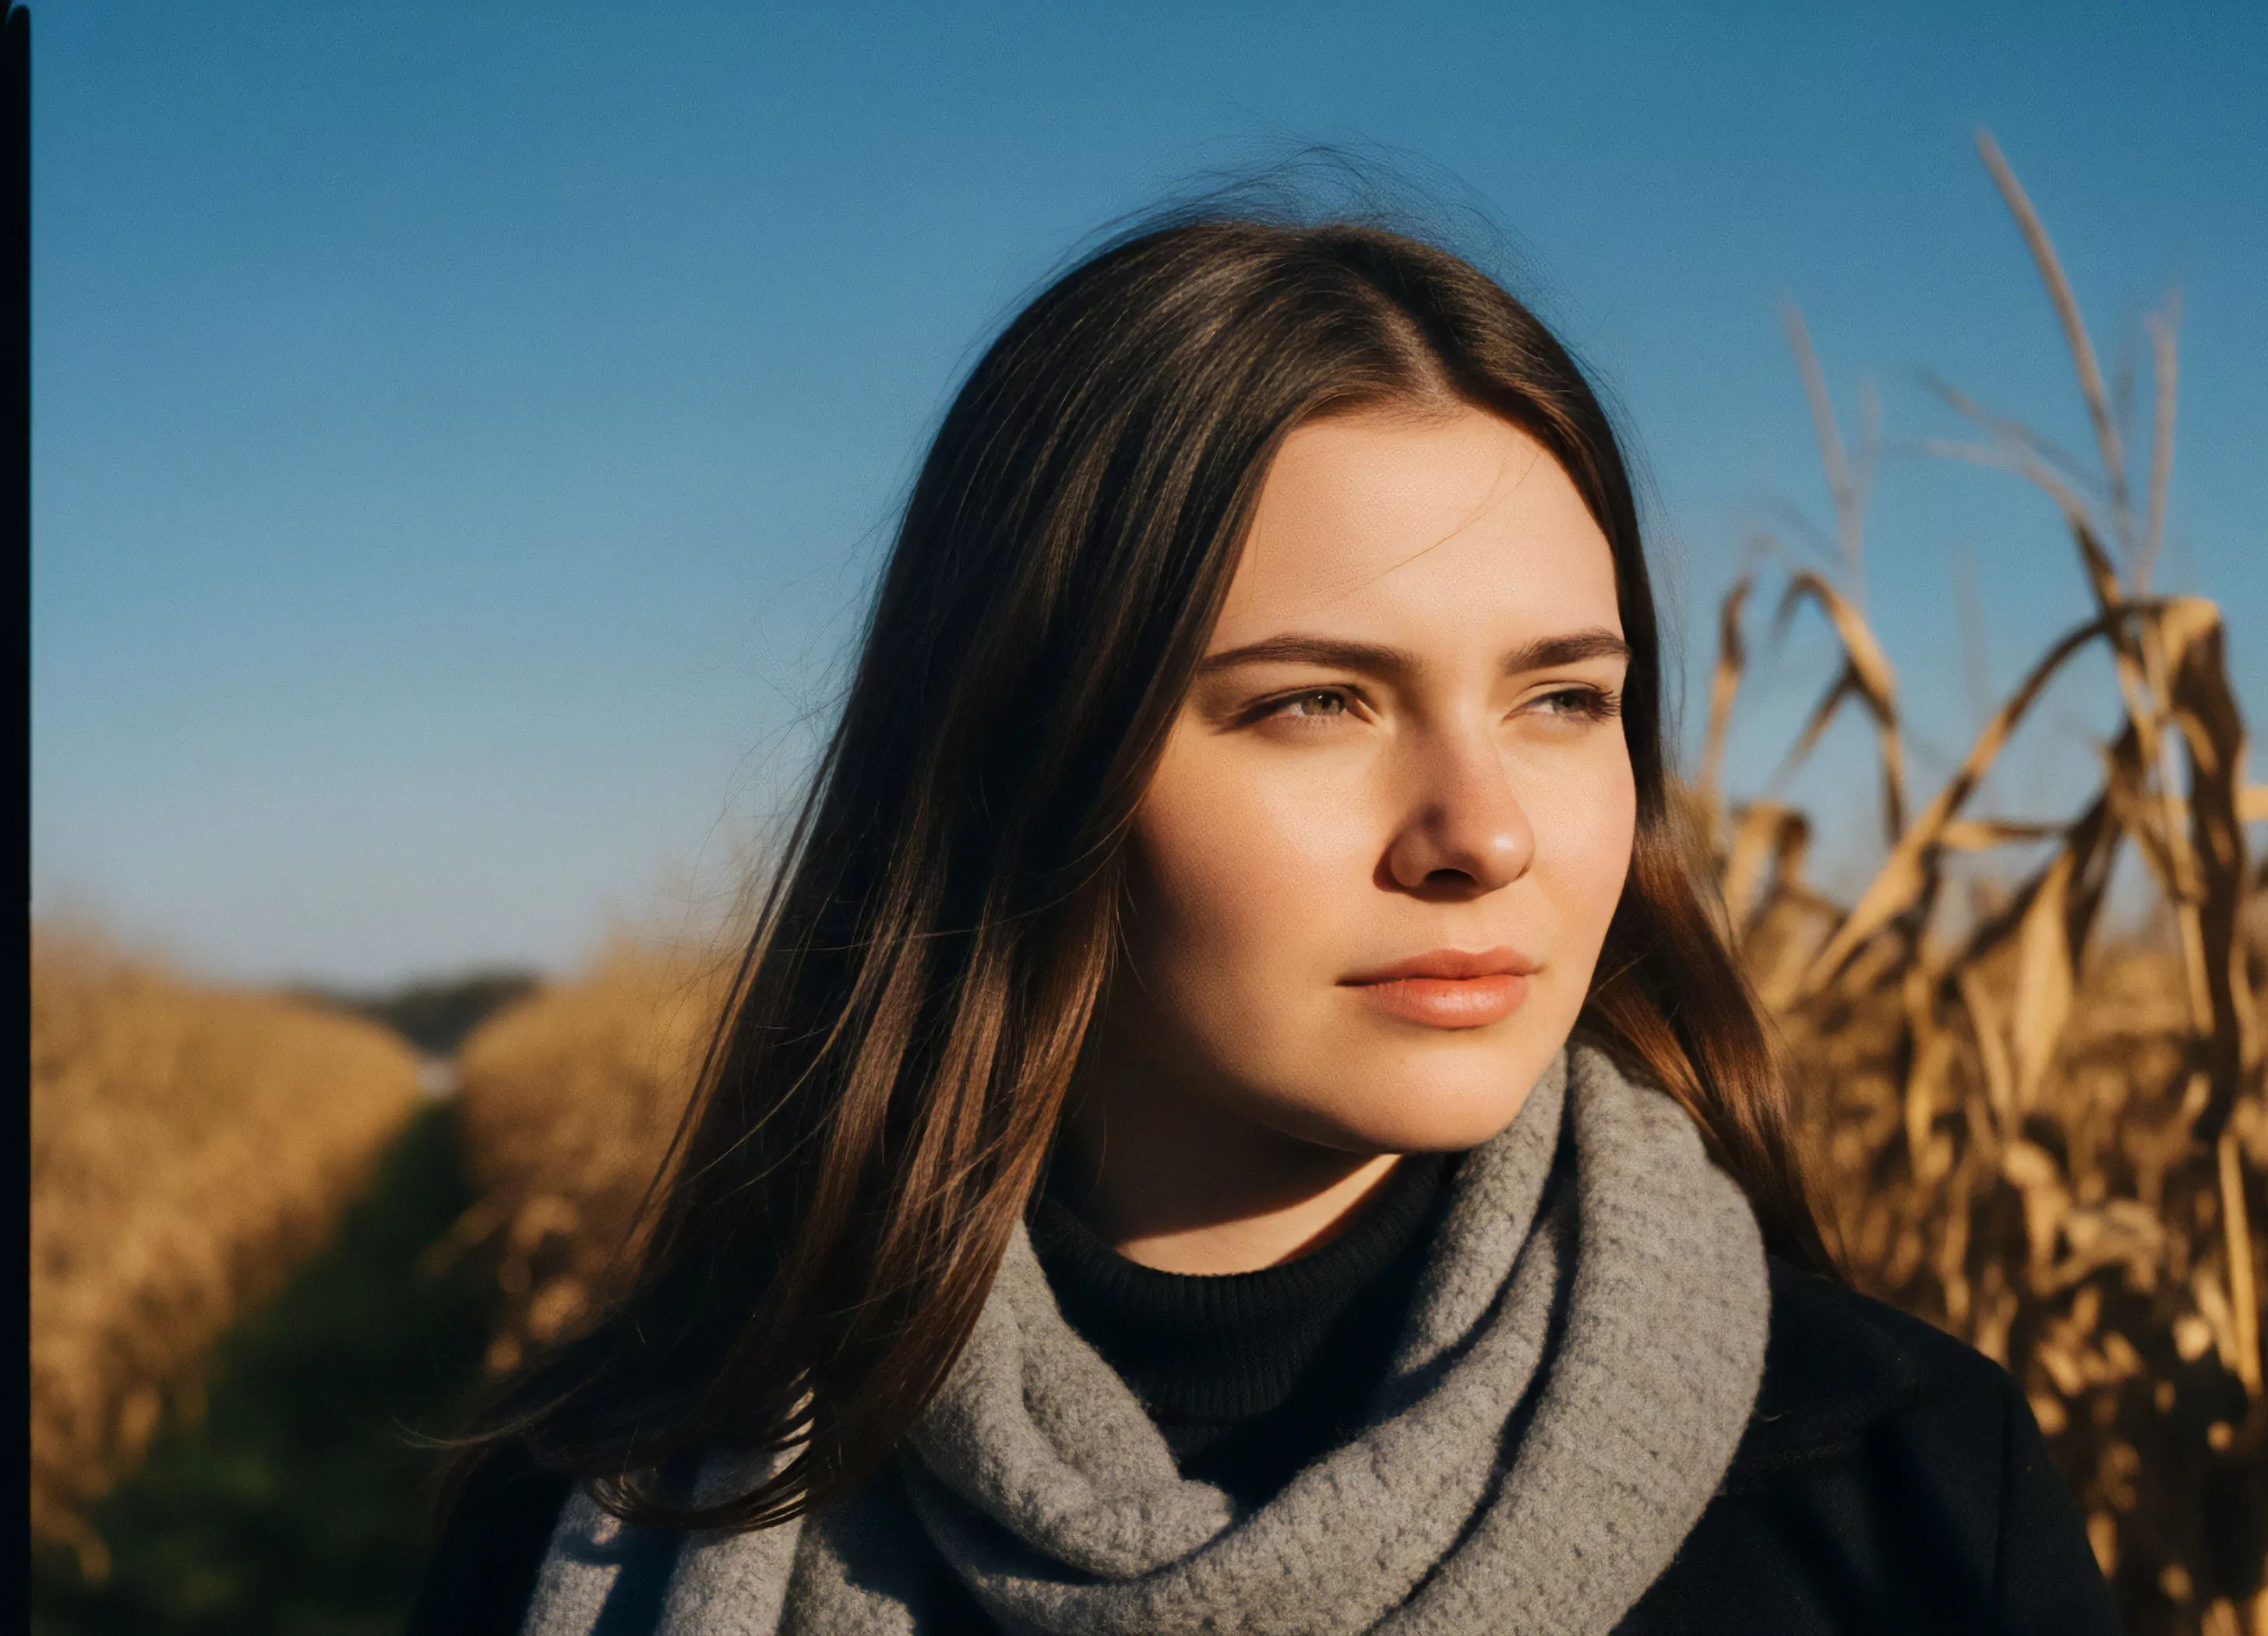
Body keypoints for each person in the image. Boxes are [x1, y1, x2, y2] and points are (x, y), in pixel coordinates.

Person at [407, 202, 2122, 1636]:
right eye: (1316, 702)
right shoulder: (611, 1515)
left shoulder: (1889, 1493)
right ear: (1021, 758)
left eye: (1561, 702)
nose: (1484, 833)